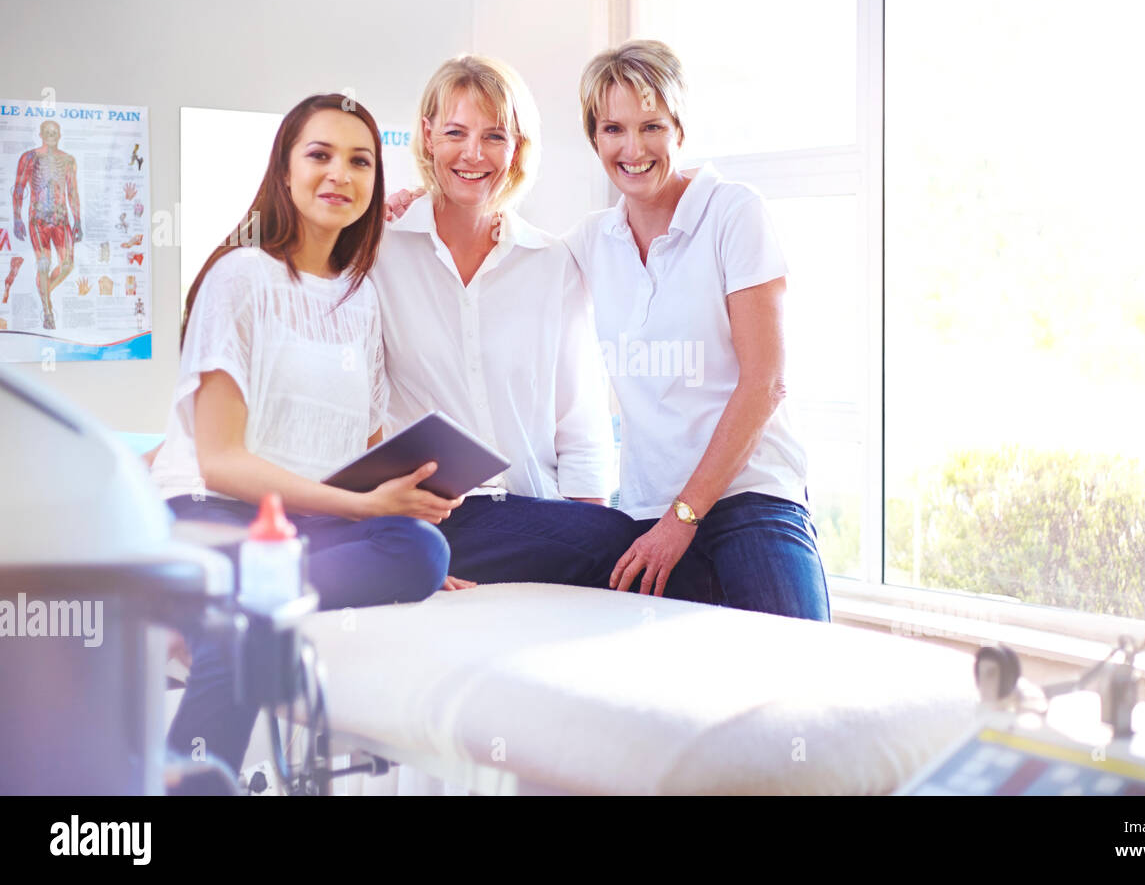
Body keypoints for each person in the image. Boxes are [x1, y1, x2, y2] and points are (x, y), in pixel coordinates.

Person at [150, 93, 466, 783]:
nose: (340, 175)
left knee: (420, 547)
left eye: (360, 161)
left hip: (301, 527)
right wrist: (359, 509)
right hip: (209, 513)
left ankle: (228, 600)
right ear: (285, 172)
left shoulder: (362, 297)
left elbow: (367, 449)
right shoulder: (239, 277)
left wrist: (394, 504)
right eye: (319, 155)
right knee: (255, 608)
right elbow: (222, 462)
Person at [375, 56, 683, 595]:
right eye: (455, 133)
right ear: (426, 138)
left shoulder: (552, 262)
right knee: (634, 546)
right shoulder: (379, 253)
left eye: (495, 136)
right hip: (434, 518)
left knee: (641, 550)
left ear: (517, 147)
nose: (473, 154)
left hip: (536, 515)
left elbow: (579, 421)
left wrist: (592, 546)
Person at [565, 39, 830, 621]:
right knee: (670, 702)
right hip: (645, 512)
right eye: (613, 129)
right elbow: (501, 263)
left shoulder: (733, 212)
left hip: (749, 498)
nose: (633, 149)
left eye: (651, 126)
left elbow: (765, 383)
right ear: (595, 139)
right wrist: (406, 207)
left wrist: (683, 517)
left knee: (801, 675)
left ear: (679, 130)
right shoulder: (591, 241)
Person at [11, 120, 80, 330]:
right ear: (41, 134)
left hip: (61, 219)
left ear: (59, 135)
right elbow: (19, 187)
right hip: (38, 218)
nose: (51, 134)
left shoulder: (68, 160)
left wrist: (77, 219)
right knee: (43, 263)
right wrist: (17, 217)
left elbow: (72, 191)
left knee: (67, 265)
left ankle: (45, 291)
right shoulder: (30, 157)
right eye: (47, 131)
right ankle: (47, 311)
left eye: (55, 131)